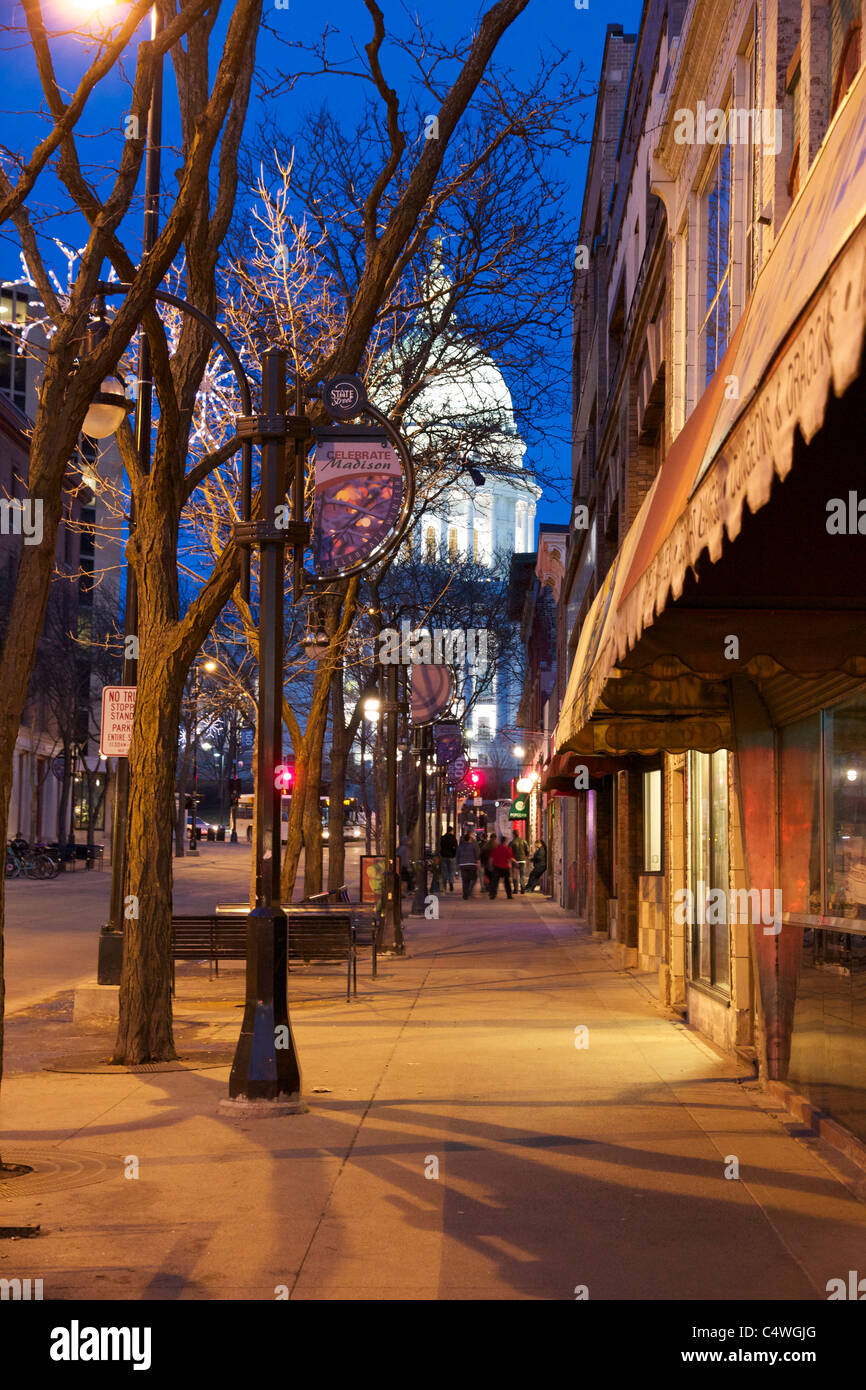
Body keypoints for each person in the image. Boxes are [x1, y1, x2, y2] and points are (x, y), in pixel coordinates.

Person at [456, 830, 480, 899]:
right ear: (469, 839)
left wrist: (458, 864)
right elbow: (477, 854)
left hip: (463, 865)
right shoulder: (473, 845)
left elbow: (457, 855)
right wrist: (478, 863)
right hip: (472, 864)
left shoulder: (460, 846)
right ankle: (469, 890)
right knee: (474, 878)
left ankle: (465, 895)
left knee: (465, 880)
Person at [439, 824, 458, 892]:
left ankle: (444, 886)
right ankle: (450, 883)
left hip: (444, 856)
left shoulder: (443, 838)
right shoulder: (453, 838)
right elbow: (456, 847)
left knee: (445, 871)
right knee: (451, 871)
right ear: (451, 831)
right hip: (451, 857)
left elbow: (440, 846)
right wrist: (454, 854)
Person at [510, 829, 529, 894]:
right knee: (522, 874)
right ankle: (523, 888)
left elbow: (509, 852)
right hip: (522, 860)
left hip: (515, 861)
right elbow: (527, 850)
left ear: (513, 834)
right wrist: (525, 856)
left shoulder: (512, 842)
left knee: (515, 875)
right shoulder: (524, 841)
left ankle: (515, 889)